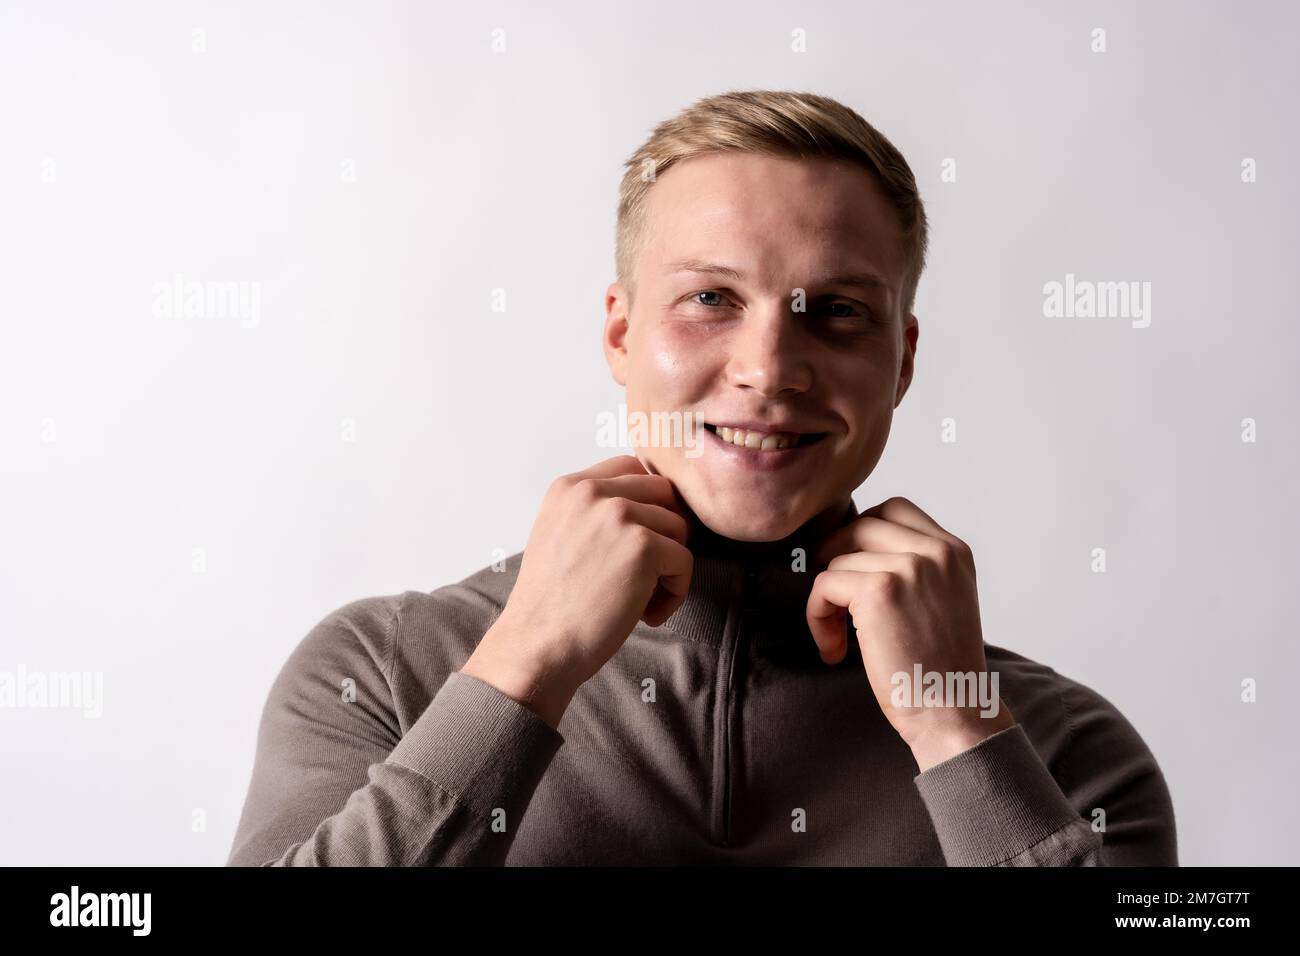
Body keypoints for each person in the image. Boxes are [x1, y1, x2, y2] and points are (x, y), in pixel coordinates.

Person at [226, 89, 1177, 866]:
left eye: (836, 311)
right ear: (619, 333)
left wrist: (959, 734)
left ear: (903, 361)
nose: (769, 369)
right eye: (712, 298)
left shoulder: (1065, 751)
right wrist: (520, 672)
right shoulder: (380, 674)